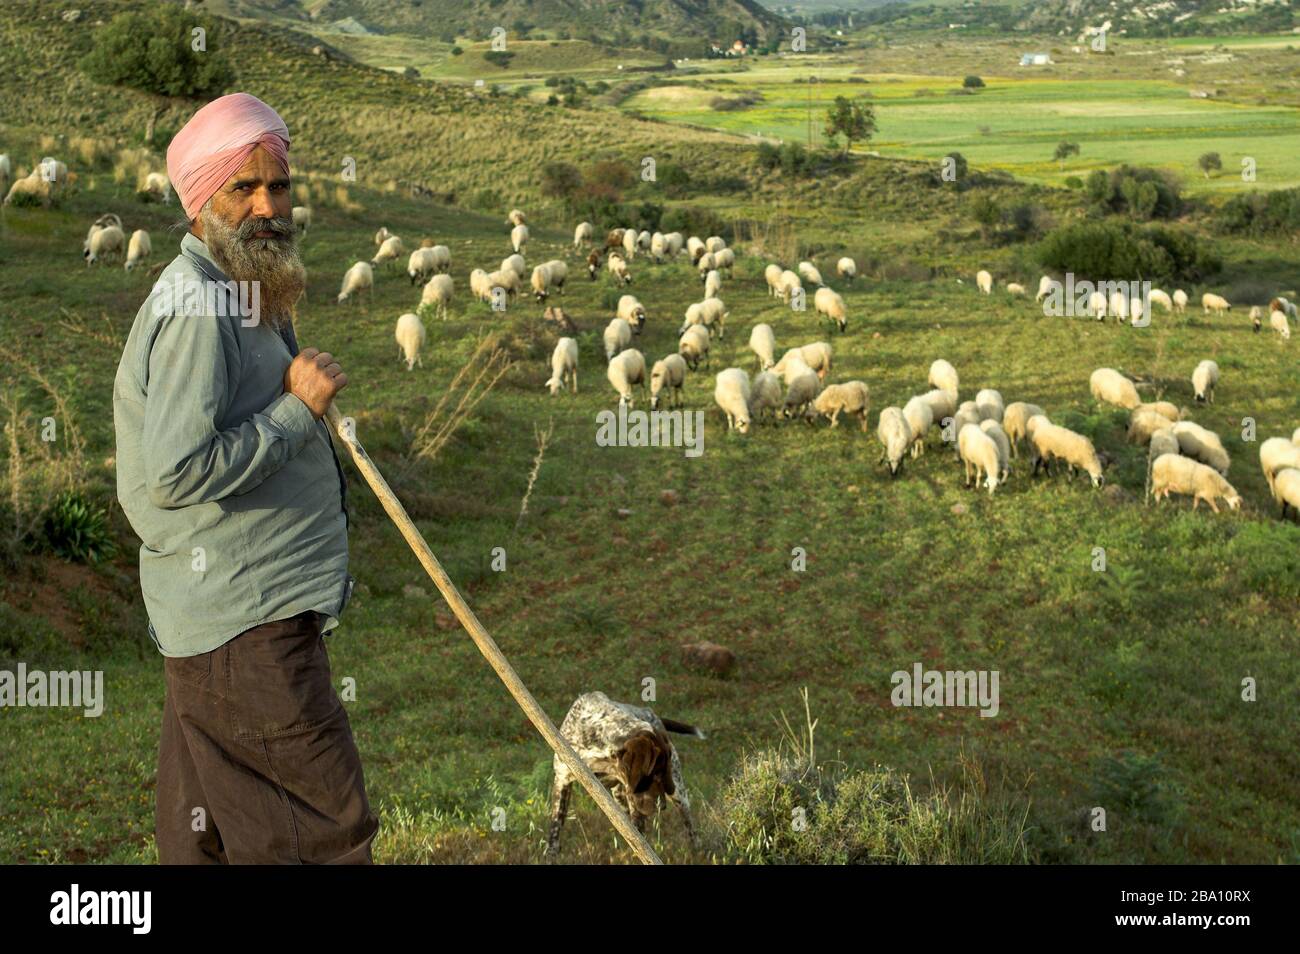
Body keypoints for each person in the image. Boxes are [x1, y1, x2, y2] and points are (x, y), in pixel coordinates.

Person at [112, 92, 378, 864]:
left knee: (206, 843)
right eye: (243, 188)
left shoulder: (238, 291)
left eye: (280, 186)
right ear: (202, 202)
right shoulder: (200, 307)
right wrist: (297, 413)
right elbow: (175, 471)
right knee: (322, 834)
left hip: (221, 627)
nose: (268, 206)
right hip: (248, 629)